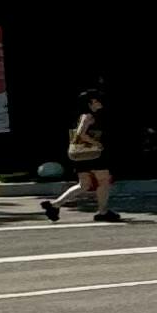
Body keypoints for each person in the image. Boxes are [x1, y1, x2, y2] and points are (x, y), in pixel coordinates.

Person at [44, 88, 116, 223]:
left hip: (80, 155)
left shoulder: (79, 115)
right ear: (92, 102)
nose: (101, 102)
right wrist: (96, 143)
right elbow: (80, 134)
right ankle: (103, 212)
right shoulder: (87, 116)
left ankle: (55, 205)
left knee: (84, 185)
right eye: (98, 100)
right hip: (92, 155)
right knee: (104, 181)